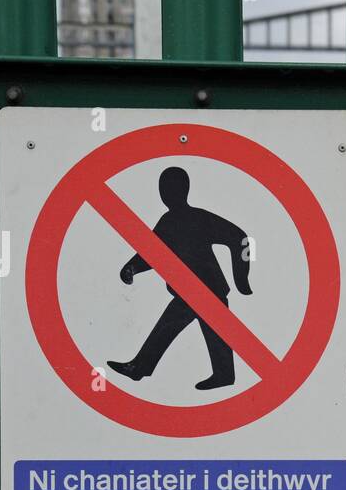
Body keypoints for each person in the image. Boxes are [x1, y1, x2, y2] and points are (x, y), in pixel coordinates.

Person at [107, 166, 252, 389]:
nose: (166, 194)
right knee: (188, 329)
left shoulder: (198, 218)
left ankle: (141, 367)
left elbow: (238, 237)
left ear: (183, 190)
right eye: (164, 189)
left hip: (209, 290)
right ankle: (141, 367)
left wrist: (242, 279)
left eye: (170, 189)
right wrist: (131, 268)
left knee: (201, 331)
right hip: (188, 291)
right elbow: (151, 253)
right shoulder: (167, 222)